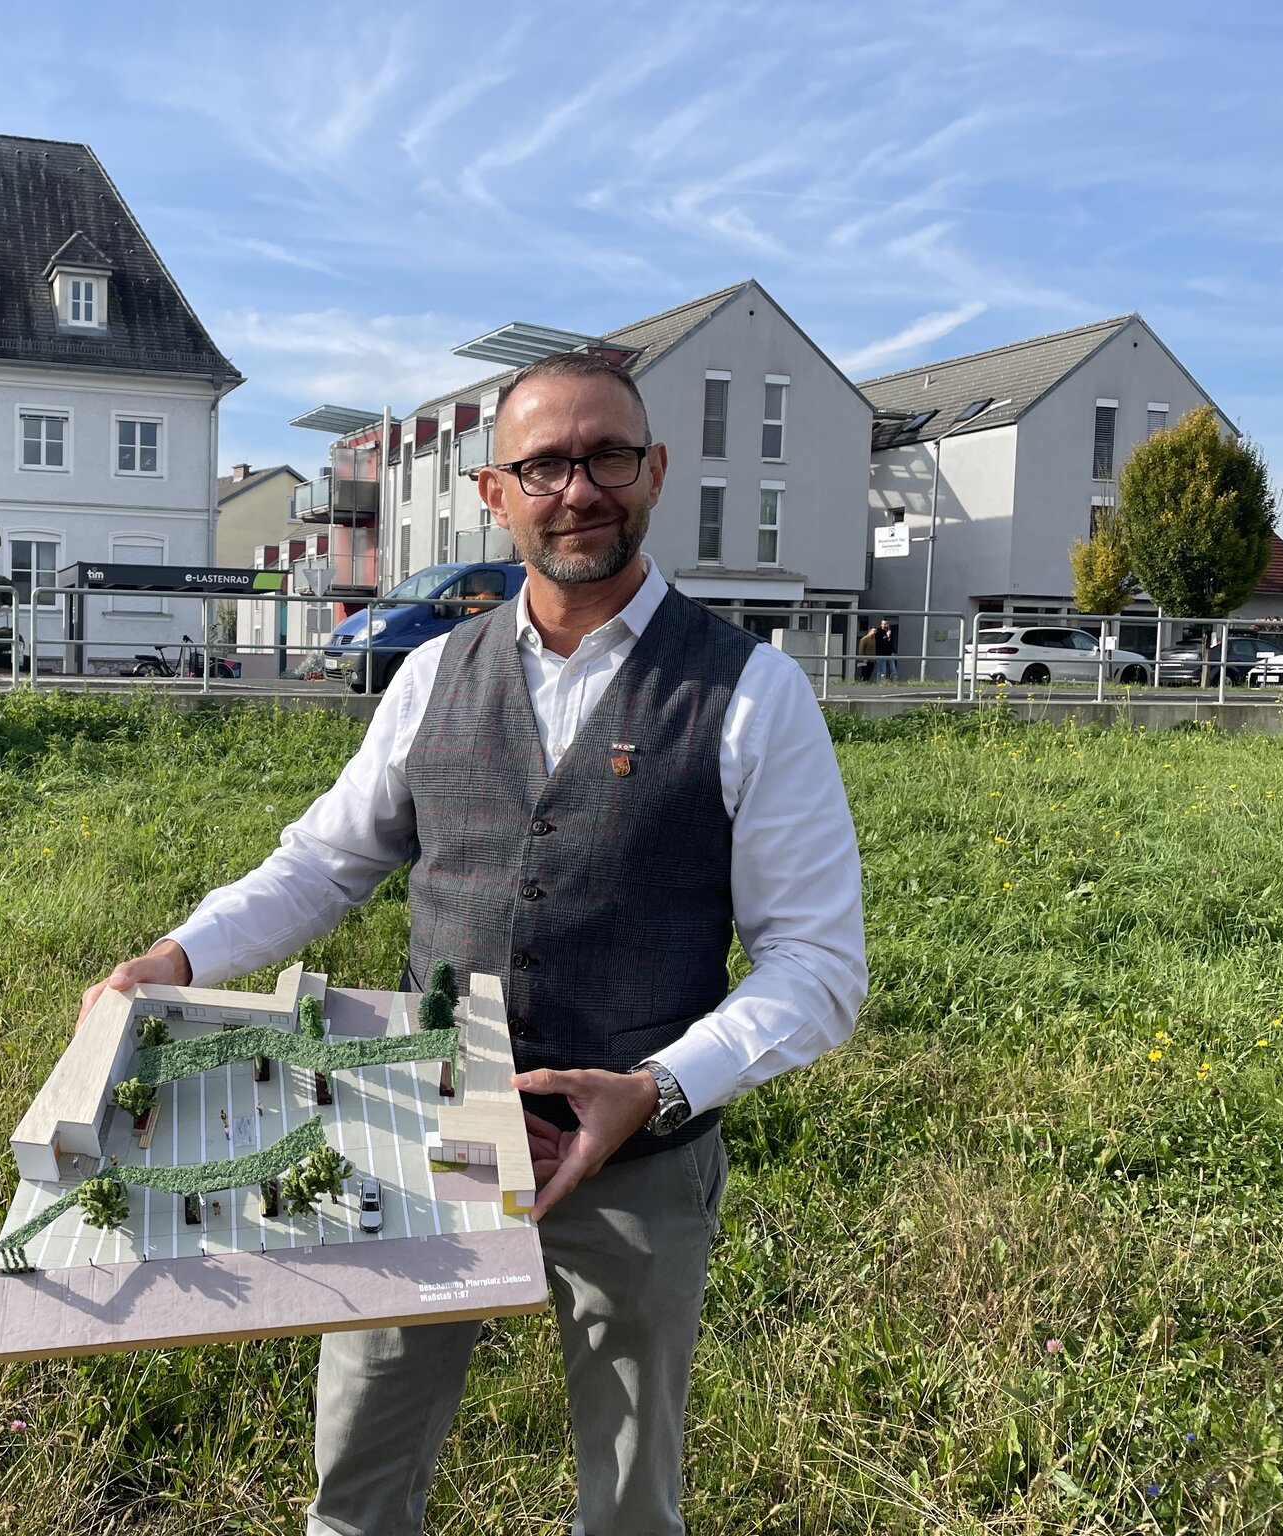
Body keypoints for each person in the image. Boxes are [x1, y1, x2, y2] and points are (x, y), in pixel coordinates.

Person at [79, 352, 866, 1536]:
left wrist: (654, 1091)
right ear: (493, 494)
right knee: (358, 1478)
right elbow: (324, 861)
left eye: (604, 456)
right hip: (425, 1129)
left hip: (639, 1163)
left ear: (651, 472)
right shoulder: (432, 675)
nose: (576, 488)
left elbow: (816, 967)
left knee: (631, 1502)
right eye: (541, 464)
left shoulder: (751, 693)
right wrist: (176, 959)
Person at [873, 617, 899, 682]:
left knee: (893, 670)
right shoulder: (878, 632)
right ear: (881, 625)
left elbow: (891, 643)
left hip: (889, 654)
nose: (886, 626)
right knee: (882, 670)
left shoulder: (890, 632)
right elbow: (880, 642)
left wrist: (892, 651)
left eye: (887, 624)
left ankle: (894, 682)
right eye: (884, 624)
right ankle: (881, 683)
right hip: (881, 655)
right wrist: (887, 636)